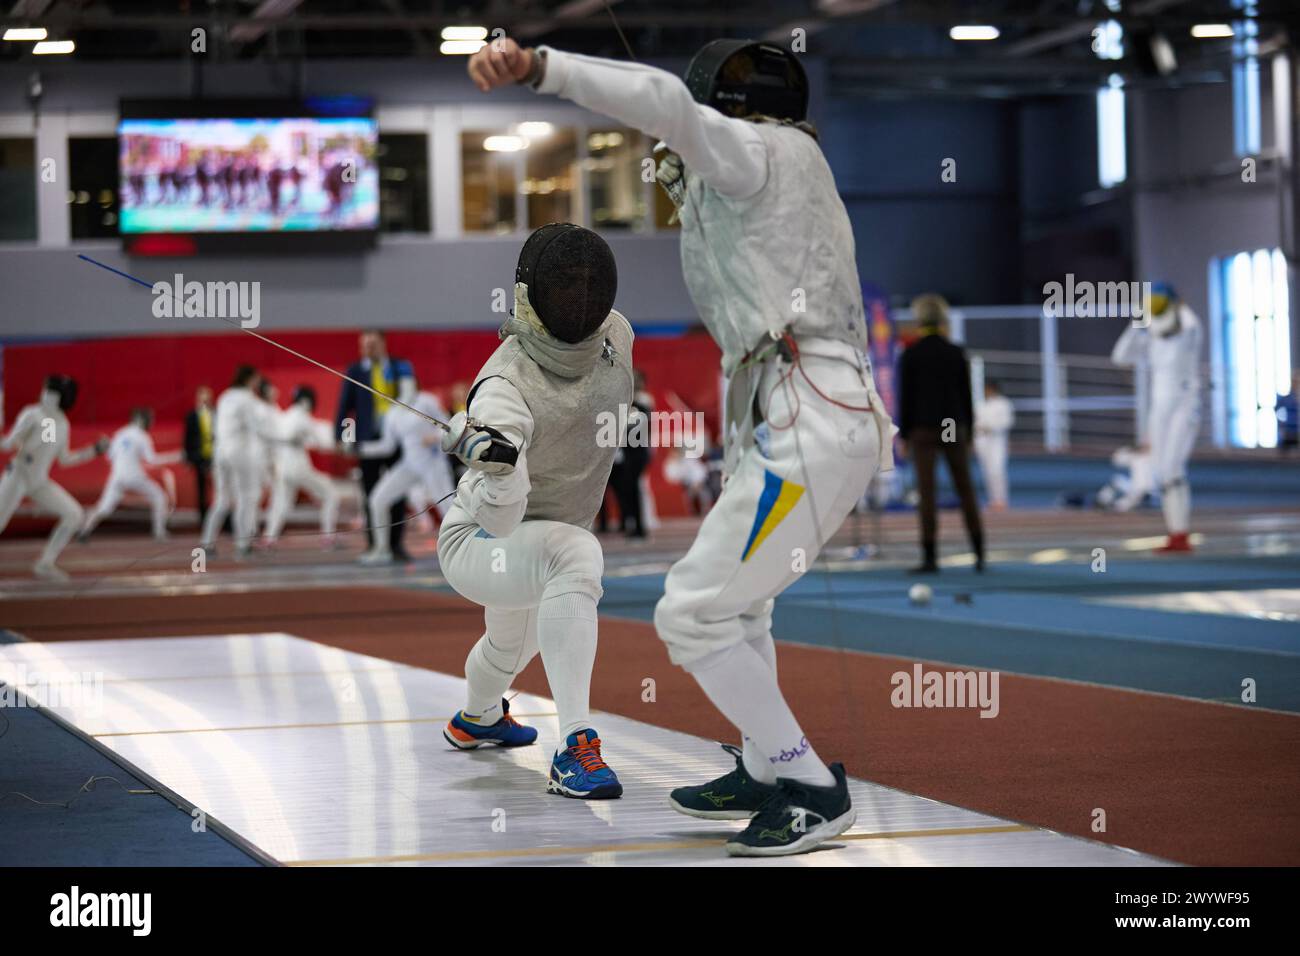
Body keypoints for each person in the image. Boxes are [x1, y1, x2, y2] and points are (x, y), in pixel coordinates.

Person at [468, 37, 894, 855]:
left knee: (693, 612)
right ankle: (769, 770)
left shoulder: (753, 147)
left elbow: (661, 100)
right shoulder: (788, 162)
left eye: (698, 127)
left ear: (724, 110)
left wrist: (541, 69)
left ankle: (807, 786)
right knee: (744, 606)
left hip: (812, 416)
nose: (681, 146)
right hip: (786, 410)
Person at [438, 222, 633, 802]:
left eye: (589, 282)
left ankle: (477, 719)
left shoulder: (616, 336)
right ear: (531, 294)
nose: (579, 296)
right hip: (480, 538)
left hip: (542, 542)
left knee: (507, 648)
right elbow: (499, 524)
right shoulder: (502, 386)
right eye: (565, 284)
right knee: (577, 556)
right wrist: (501, 468)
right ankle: (575, 746)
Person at [1111, 282, 1201, 552]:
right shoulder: (1150, 327)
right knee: (1162, 471)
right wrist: (1136, 325)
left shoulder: (1189, 322)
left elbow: (1174, 333)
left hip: (1184, 403)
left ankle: (1180, 534)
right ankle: (1176, 533)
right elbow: (1120, 357)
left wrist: (1160, 314)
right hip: (1160, 407)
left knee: (1172, 469)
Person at [898, 294, 985, 574]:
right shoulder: (955, 352)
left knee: (928, 492)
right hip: (951, 425)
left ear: (919, 319)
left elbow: (906, 398)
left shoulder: (910, 355)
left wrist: (904, 435)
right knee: (965, 488)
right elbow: (966, 396)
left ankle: (930, 556)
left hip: (923, 428)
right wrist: (969, 432)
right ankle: (979, 552)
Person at [0, 376, 107, 580]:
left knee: (74, 514)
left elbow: (64, 459)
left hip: (38, 482)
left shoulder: (59, 423)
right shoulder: (32, 414)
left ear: (58, 397)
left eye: (49, 391)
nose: (44, 394)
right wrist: (16, 442)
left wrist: (93, 450)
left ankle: (45, 563)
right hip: (18, 476)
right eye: (45, 390)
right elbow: (9, 444)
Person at [352, 375, 454, 565]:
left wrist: (434, 437)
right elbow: (387, 446)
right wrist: (360, 448)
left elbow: (449, 426)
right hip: (409, 465)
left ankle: (466, 551)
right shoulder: (392, 413)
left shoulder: (426, 401)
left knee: (449, 509)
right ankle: (382, 549)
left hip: (433, 462)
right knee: (377, 500)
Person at [335, 330, 414, 561]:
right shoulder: (356, 371)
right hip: (368, 443)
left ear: (383, 343)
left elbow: (411, 400)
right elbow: (345, 409)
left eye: (372, 343)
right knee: (370, 494)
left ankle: (396, 544)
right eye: (364, 344)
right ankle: (374, 546)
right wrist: (344, 438)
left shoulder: (400, 368)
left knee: (398, 493)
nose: (368, 348)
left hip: (397, 440)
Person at [80, 407, 181, 541]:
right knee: (159, 496)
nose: (150, 423)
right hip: (134, 476)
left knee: (104, 507)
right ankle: (159, 533)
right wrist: (175, 456)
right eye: (149, 420)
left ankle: (84, 530)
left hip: (116, 477)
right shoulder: (142, 436)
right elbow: (152, 460)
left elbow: (109, 457)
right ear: (140, 420)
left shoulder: (119, 433)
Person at [200, 365, 267, 558]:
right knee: (246, 497)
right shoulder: (247, 398)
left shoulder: (225, 396)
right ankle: (243, 544)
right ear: (250, 379)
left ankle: (207, 543)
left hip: (220, 452)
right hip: (238, 452)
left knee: (222, 499)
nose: (257, 383)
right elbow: (257, 427)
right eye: (256, 379)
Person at [262, 386, 340, 548]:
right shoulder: (303, 417)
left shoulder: (285, 416)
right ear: (307, 401)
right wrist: (341, 446)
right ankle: (328, 536)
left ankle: (269, 538)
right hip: (298, 468)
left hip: (282, 468)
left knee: (281, 502)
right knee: (330, 494)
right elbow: (321, 442)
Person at [973, 379, 1015, 511]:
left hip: (997, 441)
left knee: (997, 470)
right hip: (982, 441)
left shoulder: (1004, 404)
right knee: (986, 472)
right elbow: (976, 423)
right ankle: (993, 500)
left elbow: (1007, 422)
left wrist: (990, 428)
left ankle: (1001, 499)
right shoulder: (981, 405)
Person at [184, 386, 216, 527]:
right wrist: (189, 458)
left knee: (219, 489)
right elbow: (188, 438)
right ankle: (203, 520)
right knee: (201, 489)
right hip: (199, 456)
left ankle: (224, 520)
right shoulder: (192, 416)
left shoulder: (215, 414)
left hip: (215, 456)